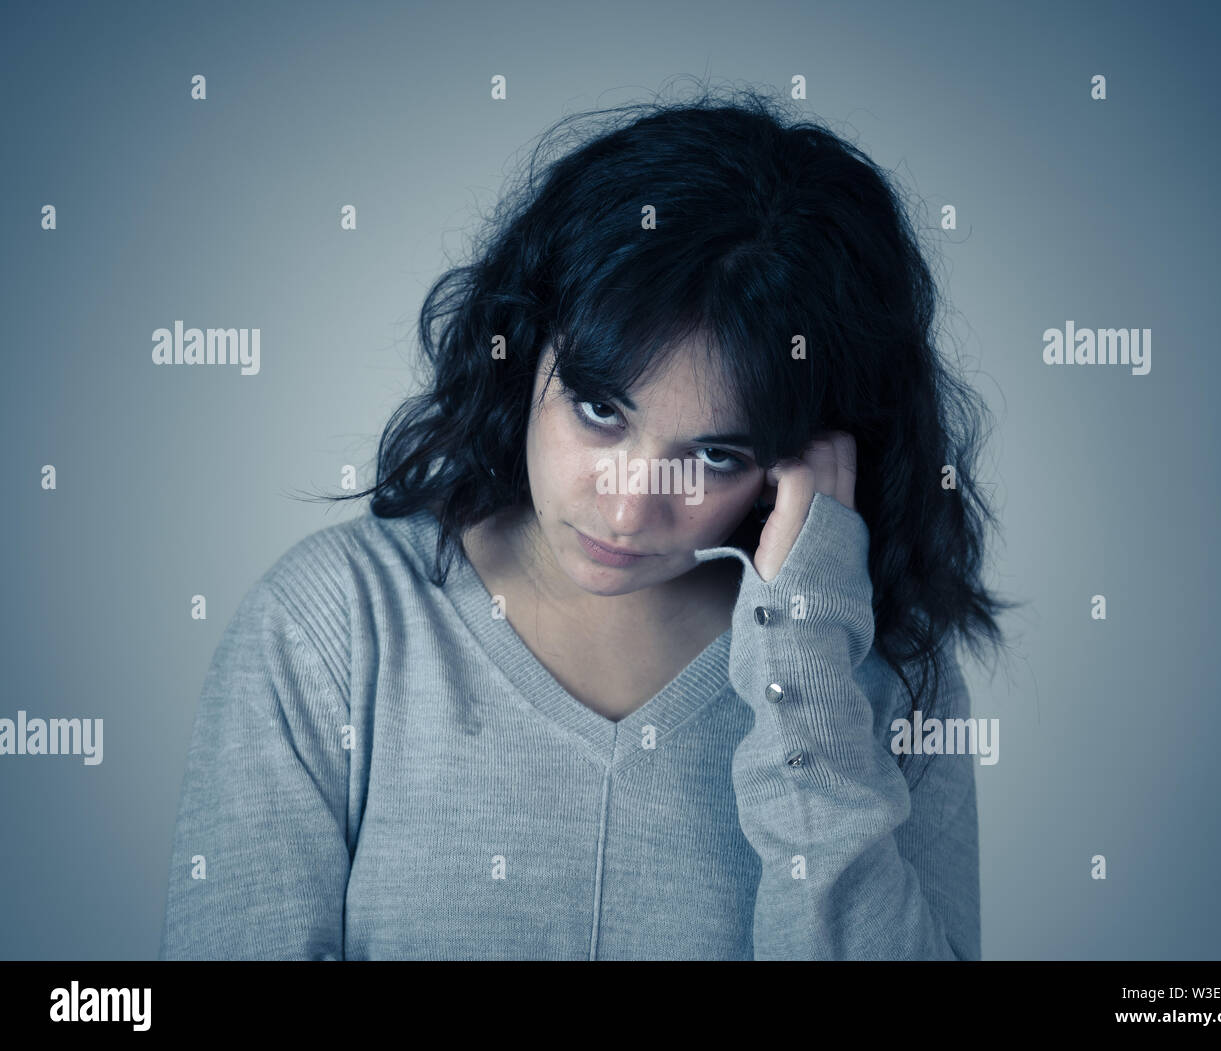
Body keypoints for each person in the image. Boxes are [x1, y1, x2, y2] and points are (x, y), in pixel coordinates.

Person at [160, 87, 1018, 961]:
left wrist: (805, 680)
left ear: (805, 458)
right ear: (527, 344)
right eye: (600, 410)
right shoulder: (330, 630)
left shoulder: (877, 674)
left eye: (716, 455)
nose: (625, 505)